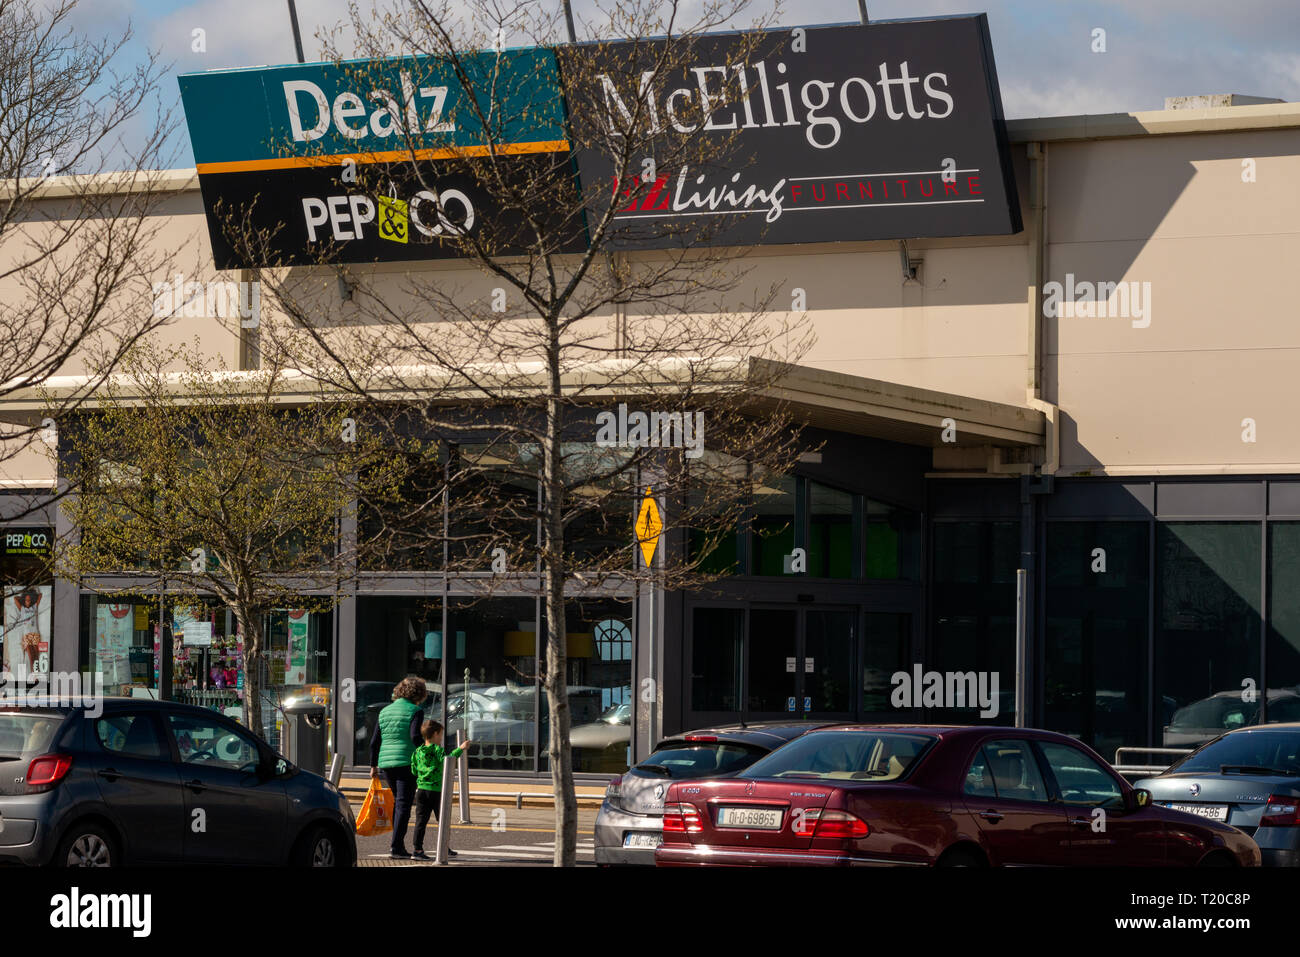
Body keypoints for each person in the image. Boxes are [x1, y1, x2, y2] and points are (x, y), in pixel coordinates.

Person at [369, 676, 427, 859]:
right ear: (420, 693)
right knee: (403, 804)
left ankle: (398, 844)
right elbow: (415, 737)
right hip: (406, 762)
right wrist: (427, 752)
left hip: (386, 763)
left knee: (397, 802)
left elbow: (374, 741)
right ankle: (396, 847)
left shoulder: (385, 711)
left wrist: (373, 765)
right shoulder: (415, 711)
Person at [410, 720, 471, 859]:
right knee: (442, 819)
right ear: (435, 734)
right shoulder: (437, 750)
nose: (441, 738)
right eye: (441, 734)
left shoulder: (417, 751)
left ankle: (417, 850)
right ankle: (444, 847)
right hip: (436, 790)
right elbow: (448, 761)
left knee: (420, 821)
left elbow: (413, 770)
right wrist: (461, 748)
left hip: (421, 790)